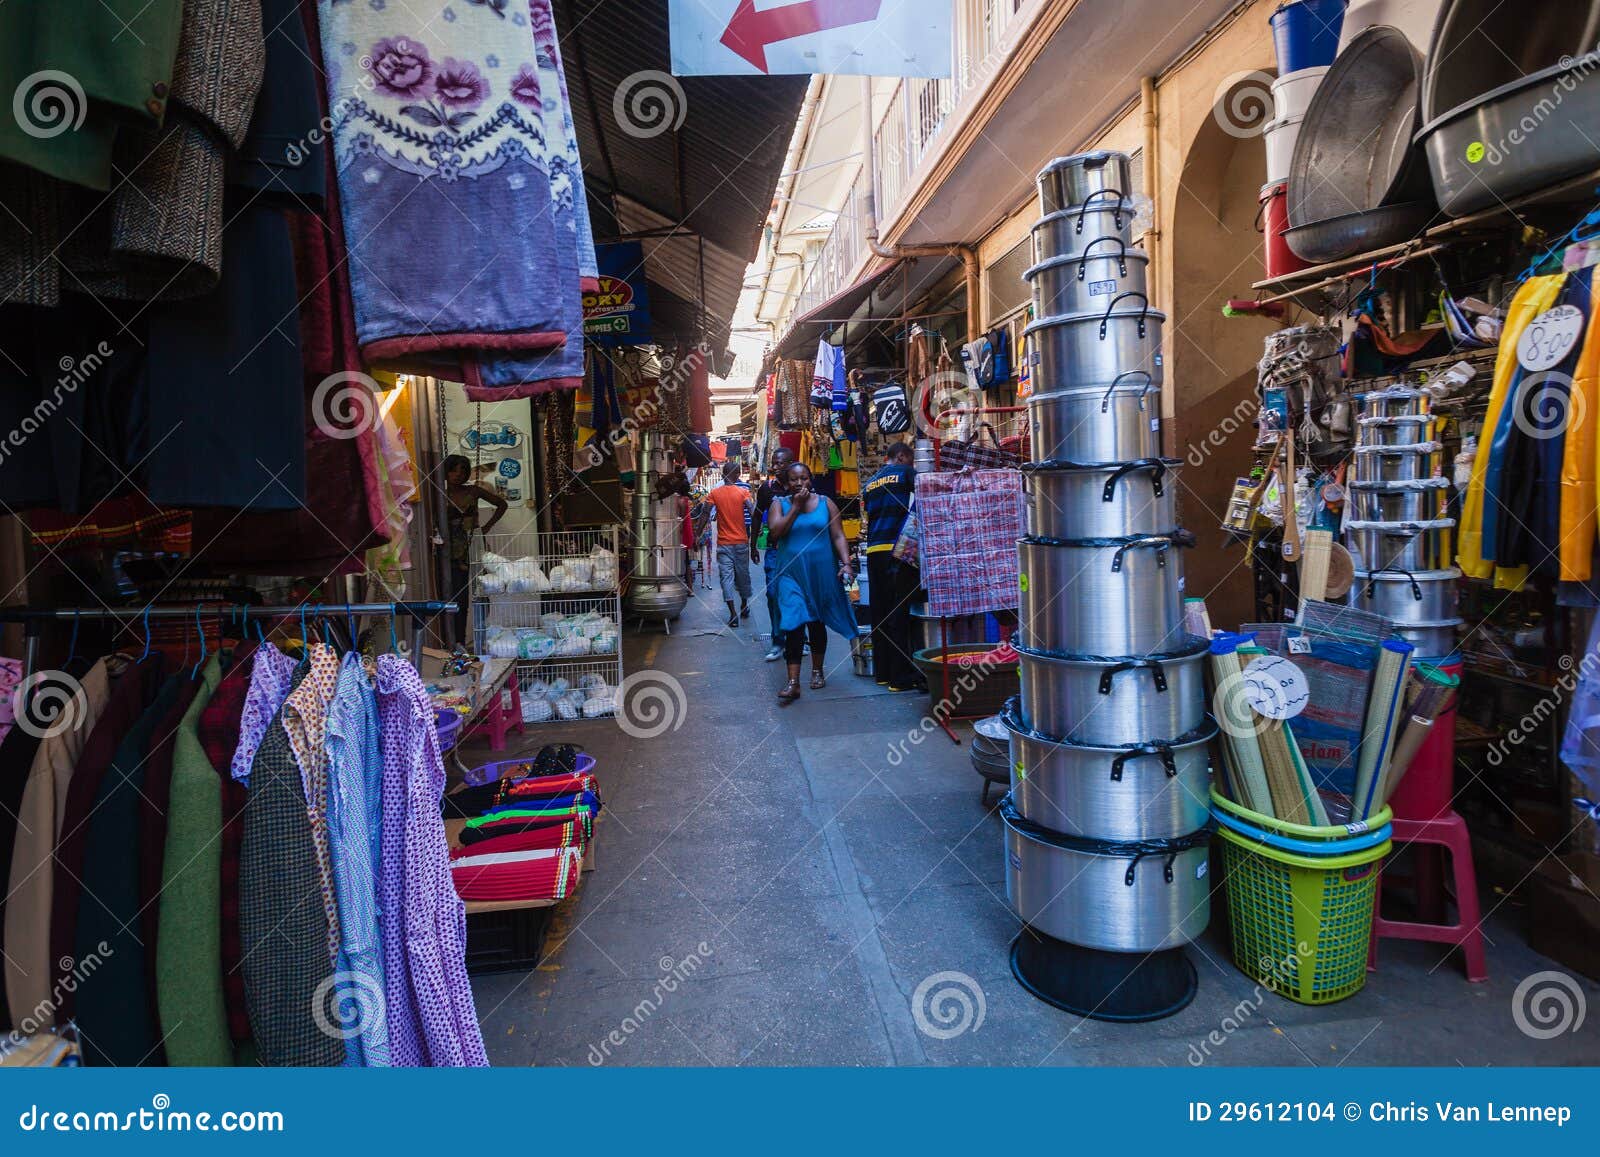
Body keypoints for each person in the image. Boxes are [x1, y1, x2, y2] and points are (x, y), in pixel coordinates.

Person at [766, 461, 857, 704]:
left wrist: (846, 563)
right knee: (793, 623)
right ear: (786, 483)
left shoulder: (826, 503)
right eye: (794, 479)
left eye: (803, 478)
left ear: (810, 480)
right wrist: (795, 508)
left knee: (817, 622)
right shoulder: (780, 504)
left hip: (821, 573)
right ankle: (793, 682)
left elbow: (838, 535)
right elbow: (775, 533)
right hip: (791, 574)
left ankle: (817, 670)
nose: (799, 483)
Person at [862, 442, 923, 691]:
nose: (911, 465)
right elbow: (926, 493)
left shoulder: (870, 484)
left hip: (874, 550)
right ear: (901, 457)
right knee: (899, 612)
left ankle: (883, 673)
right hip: (897, 550)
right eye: (910, 460)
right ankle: (900, 678)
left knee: (880, 613)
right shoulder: (906, 473)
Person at [443, 454, 507, 645]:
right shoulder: (439, 493)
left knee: (481, 591)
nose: (458, 474)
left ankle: (482, 636)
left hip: (475, 543)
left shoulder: (473, 490)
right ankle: (459, 642)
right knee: (458, 596)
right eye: (453, 470)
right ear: (445, 472)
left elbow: (502, 504)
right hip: (452, 549)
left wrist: (485, 528)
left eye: (463, 470)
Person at [752, 447, 795, 660]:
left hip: (797, 549)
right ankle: (778, 641)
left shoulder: (800, 484)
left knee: (797, 595)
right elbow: (757, 517)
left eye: (781, 463)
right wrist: (752, 546)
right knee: (772, 594)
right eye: (774, 463)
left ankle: (799, 639)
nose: (776, 467)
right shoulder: (767, 489)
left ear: (791, 463)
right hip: (775, 550)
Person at [707, 461, 756, 627]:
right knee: (742, 575)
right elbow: (753, 511)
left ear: (722, 475)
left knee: (726, 578)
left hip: (723, 544)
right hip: (741, 542)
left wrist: (698, 534)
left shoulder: (714, 493)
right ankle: (744, 604)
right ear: (737, 475)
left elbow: (704, 514)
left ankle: (733, 614)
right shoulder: (743, 492)